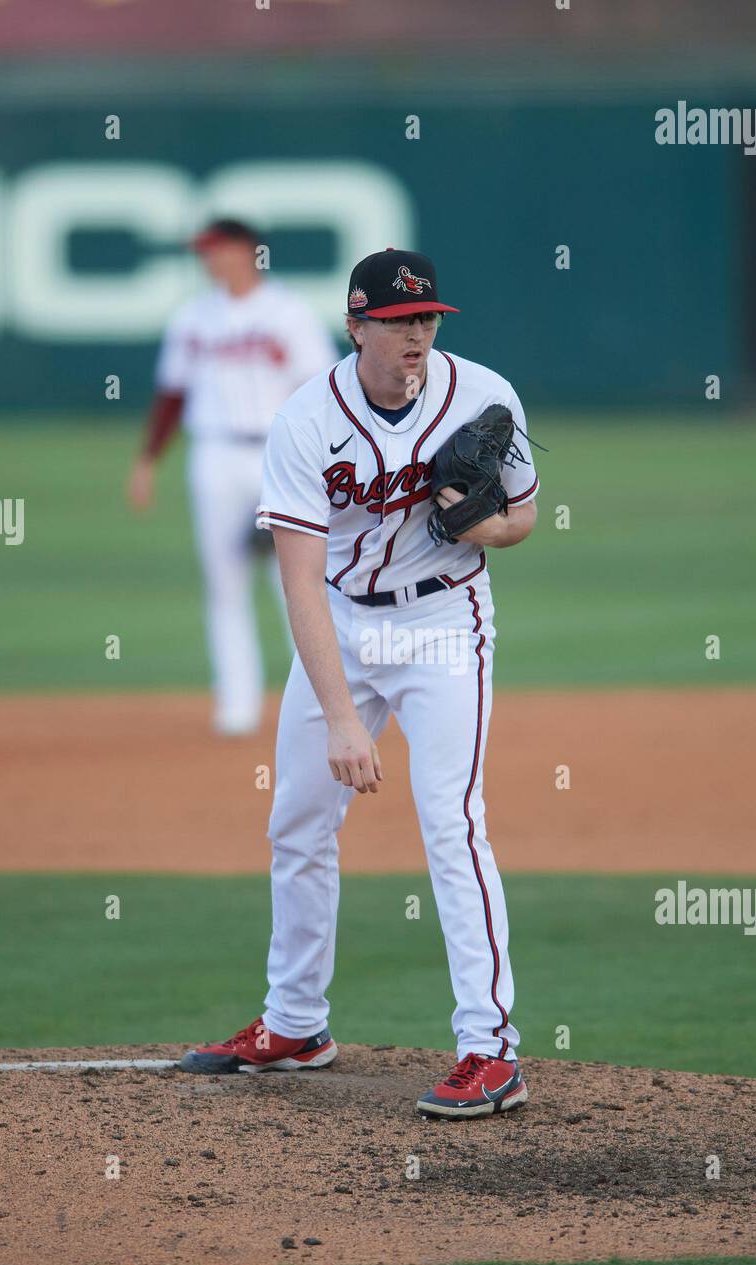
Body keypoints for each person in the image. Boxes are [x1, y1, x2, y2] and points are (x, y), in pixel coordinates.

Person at [180, 248, 539, 1118]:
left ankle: (491, 1050)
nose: (416, 334)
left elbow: (524, 516)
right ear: (357, 326)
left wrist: (483, 523)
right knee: (298, 819)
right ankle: (297, 1023)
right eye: (397, 321)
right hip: (341, 619)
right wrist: (342, 719)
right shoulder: (308, 418)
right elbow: (299, 579)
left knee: (452, 823)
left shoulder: (485, 393)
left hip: (445, 622)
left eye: (427, 320)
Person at [128, 218, 337, 736]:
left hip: (279, 455)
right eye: (204, 251)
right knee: (224, 583)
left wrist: (320, 462)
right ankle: (237, 707)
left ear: (247, 251)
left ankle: (315, 702)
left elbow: (324, 391)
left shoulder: (288, 312)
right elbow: (172, 395)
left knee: (297, 581)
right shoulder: (194, 317)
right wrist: (148, 461)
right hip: (215, 455)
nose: (209, 259)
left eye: (217, 249)